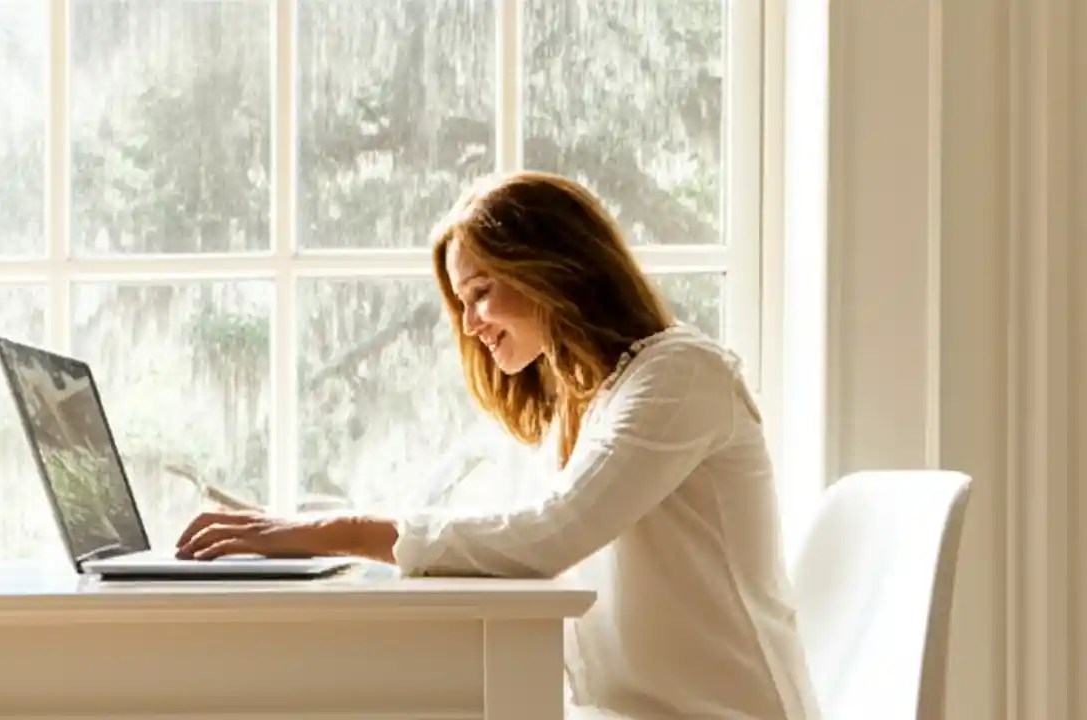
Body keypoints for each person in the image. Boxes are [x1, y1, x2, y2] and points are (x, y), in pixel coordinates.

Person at [175, 171, 820, 719]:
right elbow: (510, 536)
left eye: (482, 293)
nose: (470, 324)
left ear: (555, 270)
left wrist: (334, 531)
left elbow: (548, 536)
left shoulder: (680, 375)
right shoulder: (582, 403)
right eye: (462, 303)